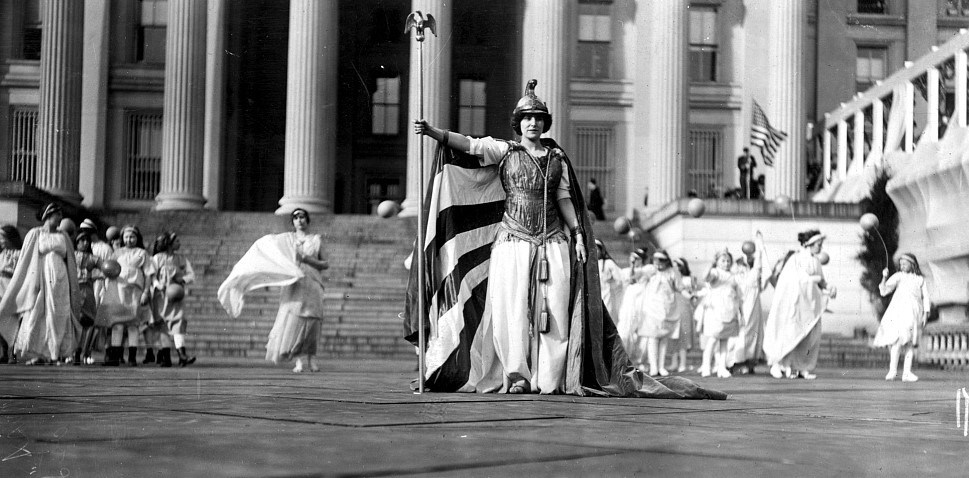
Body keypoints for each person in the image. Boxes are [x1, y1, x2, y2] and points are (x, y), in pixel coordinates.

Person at [404, 79, 724, 399]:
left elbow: (565, 198)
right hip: (513, 242)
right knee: (511, 311)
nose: (533, 122)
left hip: (553, 242)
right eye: (527, 117)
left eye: (538, 117)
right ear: (518, 123)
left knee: (554, 312)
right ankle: (516, 375)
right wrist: (434, 132)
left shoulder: (556, 158)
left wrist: (579, 235)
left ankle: (551, 376)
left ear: (545, 122)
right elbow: (471, 145)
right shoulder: (505, 150)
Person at [218, 209, 329, 373]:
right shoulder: (287, 240)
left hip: (312, 282)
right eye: (296, 217)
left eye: (303, 217)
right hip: (295, 283)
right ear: (292, 222)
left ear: (308, 220)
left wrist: (306, 259)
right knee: (294, 321)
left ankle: (312, 359)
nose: (300, 220)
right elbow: (269, 248)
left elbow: (325, 263)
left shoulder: (316, 240)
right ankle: (298, 360)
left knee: (312, 321)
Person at [0, 203, 82, 365]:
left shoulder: (63, 236)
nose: (60, 217)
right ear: (47, 215)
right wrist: (32, 281)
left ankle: (56, 353)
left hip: (61, 278)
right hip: (42, 277)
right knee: (39, 312)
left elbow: (70, 260)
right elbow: (26, 260)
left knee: (59, 312)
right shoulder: (35, 234)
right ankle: (39, 353)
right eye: (57, 214)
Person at [763, 229, 837, 380]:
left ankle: (802, 367)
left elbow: (821, 281)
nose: (820, 247)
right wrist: (812, 279)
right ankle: (778, 364)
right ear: (809, 243)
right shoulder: (796, 258)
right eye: (818, 244)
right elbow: (790, 281)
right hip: (795, 304)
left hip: (811, 305)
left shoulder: (815, 260)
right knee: (790, 334)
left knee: (810, 337)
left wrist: (829, 288)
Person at [96, 225, 155, 366]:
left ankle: (132, 358)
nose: (129, 240)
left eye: (132, 237)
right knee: (117, 324)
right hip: (119, 291)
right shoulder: (117, 253)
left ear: (137, 238)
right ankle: (115, 357)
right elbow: (108, 269)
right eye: (126, 237)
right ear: (122, 238)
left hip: (135, 292)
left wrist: (146, 292)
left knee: (133, 325)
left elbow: (148, 274)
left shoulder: (142, 253)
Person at [872, 253, 929, 382]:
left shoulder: (920, 279)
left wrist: (926, 313)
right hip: (899, 312)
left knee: (910, 343)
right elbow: (884, 290)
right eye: (901, 264)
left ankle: (907, 372)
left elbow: (926, 297)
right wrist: (884, 277)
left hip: (914, 312)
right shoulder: (898, 276)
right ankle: (892, 371)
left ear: (912, 264)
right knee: (897, 341)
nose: (902, 266)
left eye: (905, 263)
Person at [150, 232, 197, 367]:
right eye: (176, 241)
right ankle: (166, 357)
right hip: (161, 296)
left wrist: (182, 279)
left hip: (176, 296)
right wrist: (158, 284)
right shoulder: (157, 258)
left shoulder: (182, 259)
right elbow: (151, 276)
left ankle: (182, 355)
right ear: (168, 243)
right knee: (163, 324)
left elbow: (191, 275)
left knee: (178, 323)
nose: (179, 243)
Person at [726, 233, 770, 375]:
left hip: (754, 307)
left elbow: (759, 262)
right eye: (740, 266)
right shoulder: (736, 277)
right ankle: (735, 362)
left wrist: (759, 245)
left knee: (753, 333)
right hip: (741, 306)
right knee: (741, 333)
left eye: (743, 266)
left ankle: (750, 362)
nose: (741, 269)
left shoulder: (754, 275)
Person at [694, 249, 743, 378]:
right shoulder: (715, 273)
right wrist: (711, 265)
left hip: (730, 311)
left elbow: (738, 296)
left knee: (724, 341)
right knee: (712, 340)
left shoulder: (733, 276)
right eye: (723, 260)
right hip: (716, 311)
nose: (726, 263)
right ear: (717, 262)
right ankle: (706, 366)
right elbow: (706, 277)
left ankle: (721, 367)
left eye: (728, 261)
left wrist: (740, 313)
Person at [636, 250, 683, 377]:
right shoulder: (651, 271)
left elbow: (679, 287)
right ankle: (653, 366)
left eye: (662, 261)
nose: (659, 263)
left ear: (667, 261)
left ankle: (661, 366)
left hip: (667, 308)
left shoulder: (672, 273)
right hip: (652, 309)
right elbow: (638, 276)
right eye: (656, 260)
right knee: (653, 338)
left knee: (663, 339)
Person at [617, 248, 651, 371]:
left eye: (637, 258)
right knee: (625, 331)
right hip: (628, 305)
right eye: (632, 258)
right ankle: (625, 360)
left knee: (641, 334)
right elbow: (629, 277)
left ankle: (640, 361)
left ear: (642, 260)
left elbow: (637, 274)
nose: (634, 260)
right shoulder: (626, 271)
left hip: (643, 305)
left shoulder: (648, 269)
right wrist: (631, 265)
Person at [73, 232, 101, 365]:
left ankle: (85, 351)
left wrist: (97, 275)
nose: (85, 243)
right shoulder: (71, 255)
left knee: (89, 321)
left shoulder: (93, 258)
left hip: (88, 290)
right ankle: (74, 352)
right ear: (76, 242)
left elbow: (105, 268)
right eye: (81, 240)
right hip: (74, 290)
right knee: (75, 321)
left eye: (87, 240)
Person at [667, 258, 696, 373]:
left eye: (678, 266)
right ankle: (674, 362)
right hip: (673, 307)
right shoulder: (671, 277)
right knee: (674, 336)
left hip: (685, 308)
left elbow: (692, 292)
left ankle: (683, 363)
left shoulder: (690, 279)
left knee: (684, 335)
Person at [0, 225, 22, 364]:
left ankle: (11, 351)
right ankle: (4, 349)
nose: (0, 240)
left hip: (12, 287)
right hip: (0, 287)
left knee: (13, 322)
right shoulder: (1, 254)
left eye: (2, 237)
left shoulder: (19, 254)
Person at [595, 239, 624, 319]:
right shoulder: (590, 265)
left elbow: (619, 279)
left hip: (607, 294)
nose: (594, 252)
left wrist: (611, 282)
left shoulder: (608, 263)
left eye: (597, 249)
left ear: (601, 250)